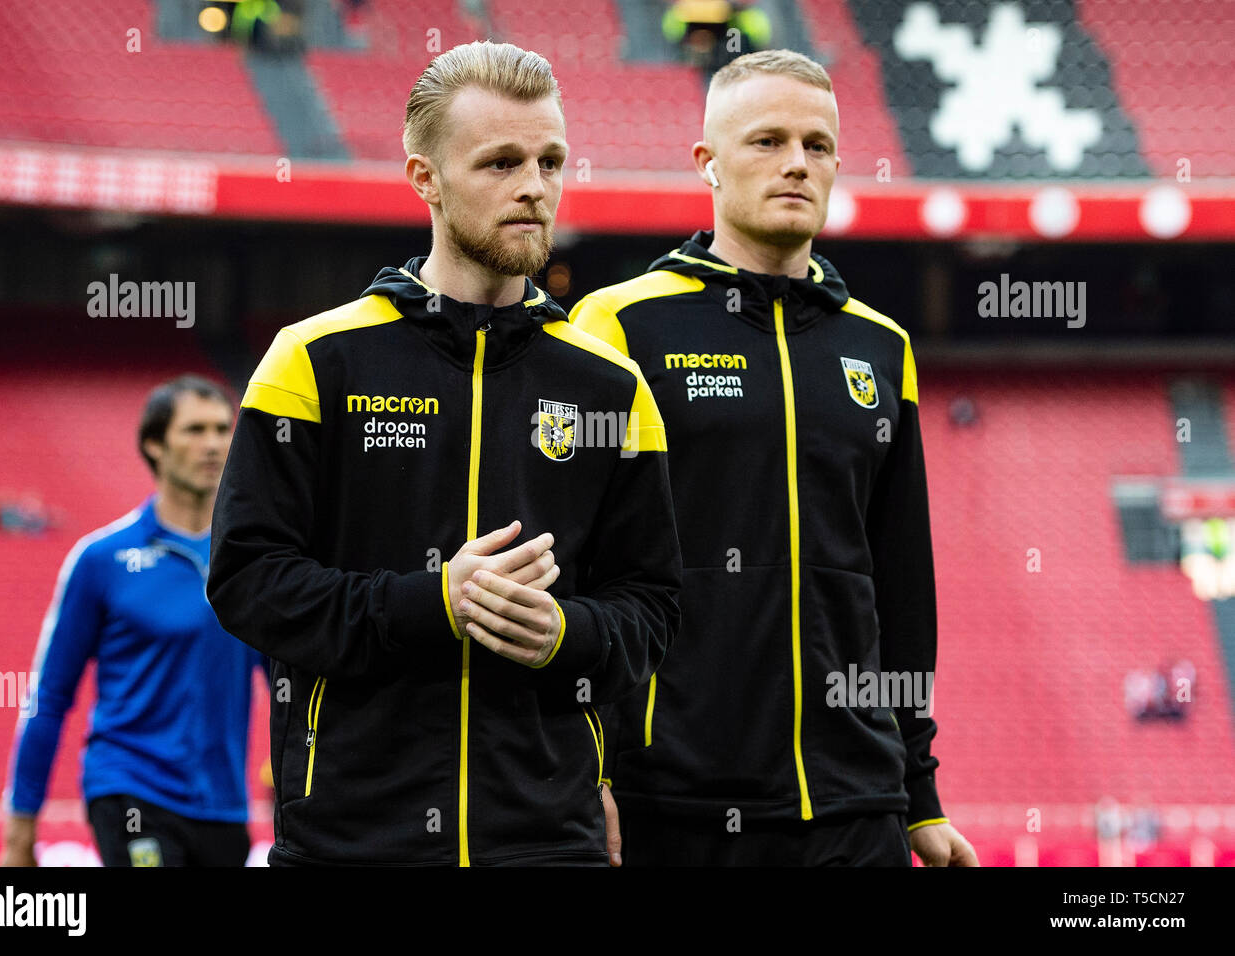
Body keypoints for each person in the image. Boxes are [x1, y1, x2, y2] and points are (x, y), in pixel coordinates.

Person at [207, 40, 681, 867]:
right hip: (349, 840)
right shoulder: (313, 361)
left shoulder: (614, 387)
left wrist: (566, 632)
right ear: (424, 178)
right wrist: (432, 604)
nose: (533, 187)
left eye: (550, 161)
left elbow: (655, 609)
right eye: (500, 162)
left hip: (548, 843)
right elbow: (247, 583)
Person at [571, 49, 977, 867]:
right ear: (708, 164)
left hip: (856, 803)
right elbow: (580, 568)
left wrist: (920, 793)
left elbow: (900, 586)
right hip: (670, 803)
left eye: (817, 145)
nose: (797, 162)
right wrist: (589, 771)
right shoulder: (617, 328)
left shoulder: (882, 346)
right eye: (767, 141)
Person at [1, 376, 265, 867]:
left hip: (225, 809)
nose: (213, 444)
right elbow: (51, 697)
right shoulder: (102, 559)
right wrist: (20, 830)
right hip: (132, 792)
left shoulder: (255, 565)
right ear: (154, 445)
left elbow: (286, 684)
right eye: (194, 430)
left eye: (223, 429)